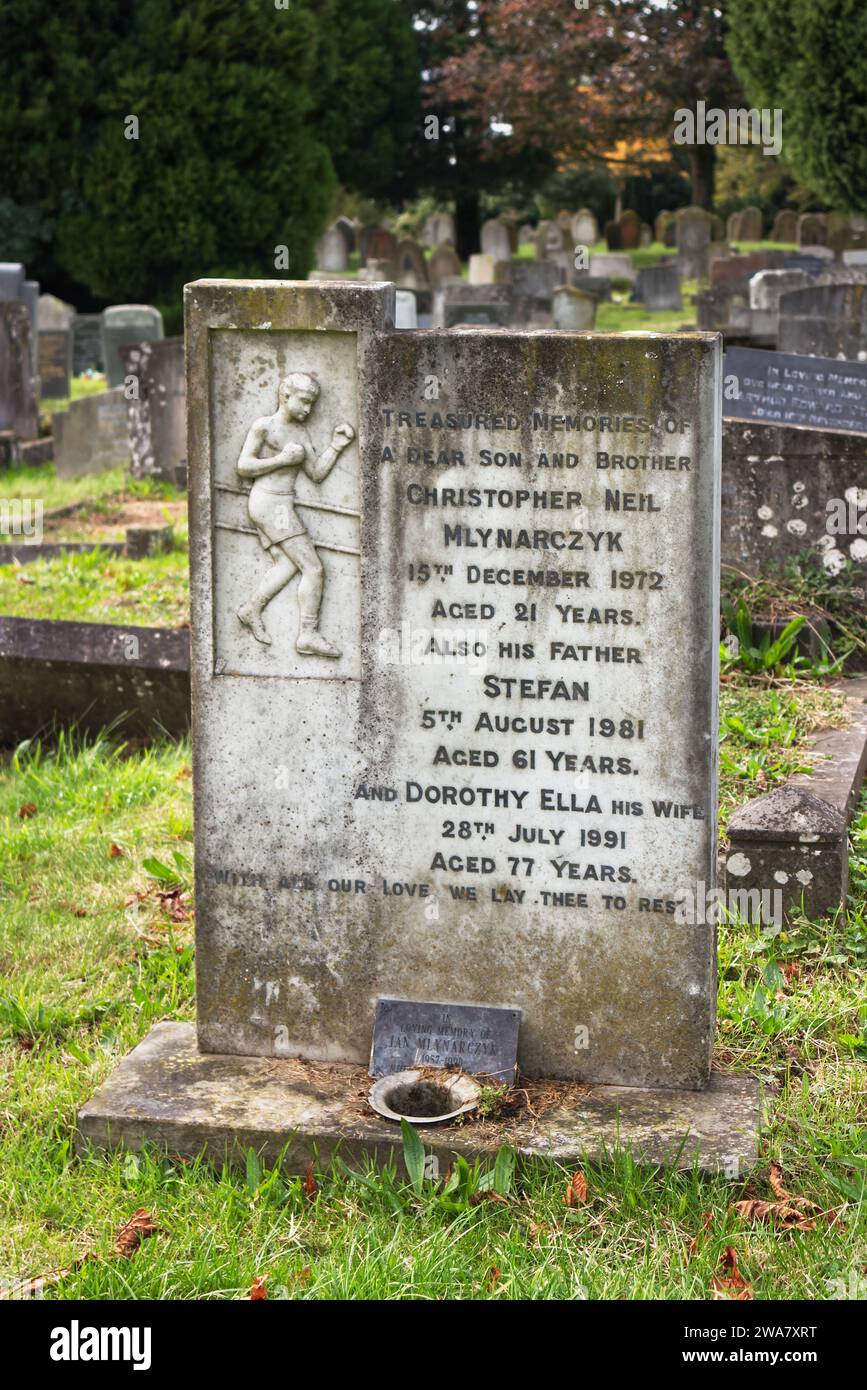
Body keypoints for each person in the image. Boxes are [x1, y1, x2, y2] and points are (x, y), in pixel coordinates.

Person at [235, 372, 354, 657]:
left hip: (281, 504)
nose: (308, 409)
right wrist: (279, 460)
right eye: (303, 401)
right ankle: (308, 634)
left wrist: (336, 446)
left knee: (288, 566)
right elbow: (243, 466)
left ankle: (251, 608)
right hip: (269, 505)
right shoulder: (264, 426)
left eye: (312, 404)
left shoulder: (301, 433)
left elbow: (316, 473)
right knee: (313, 568)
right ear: (285, 396)